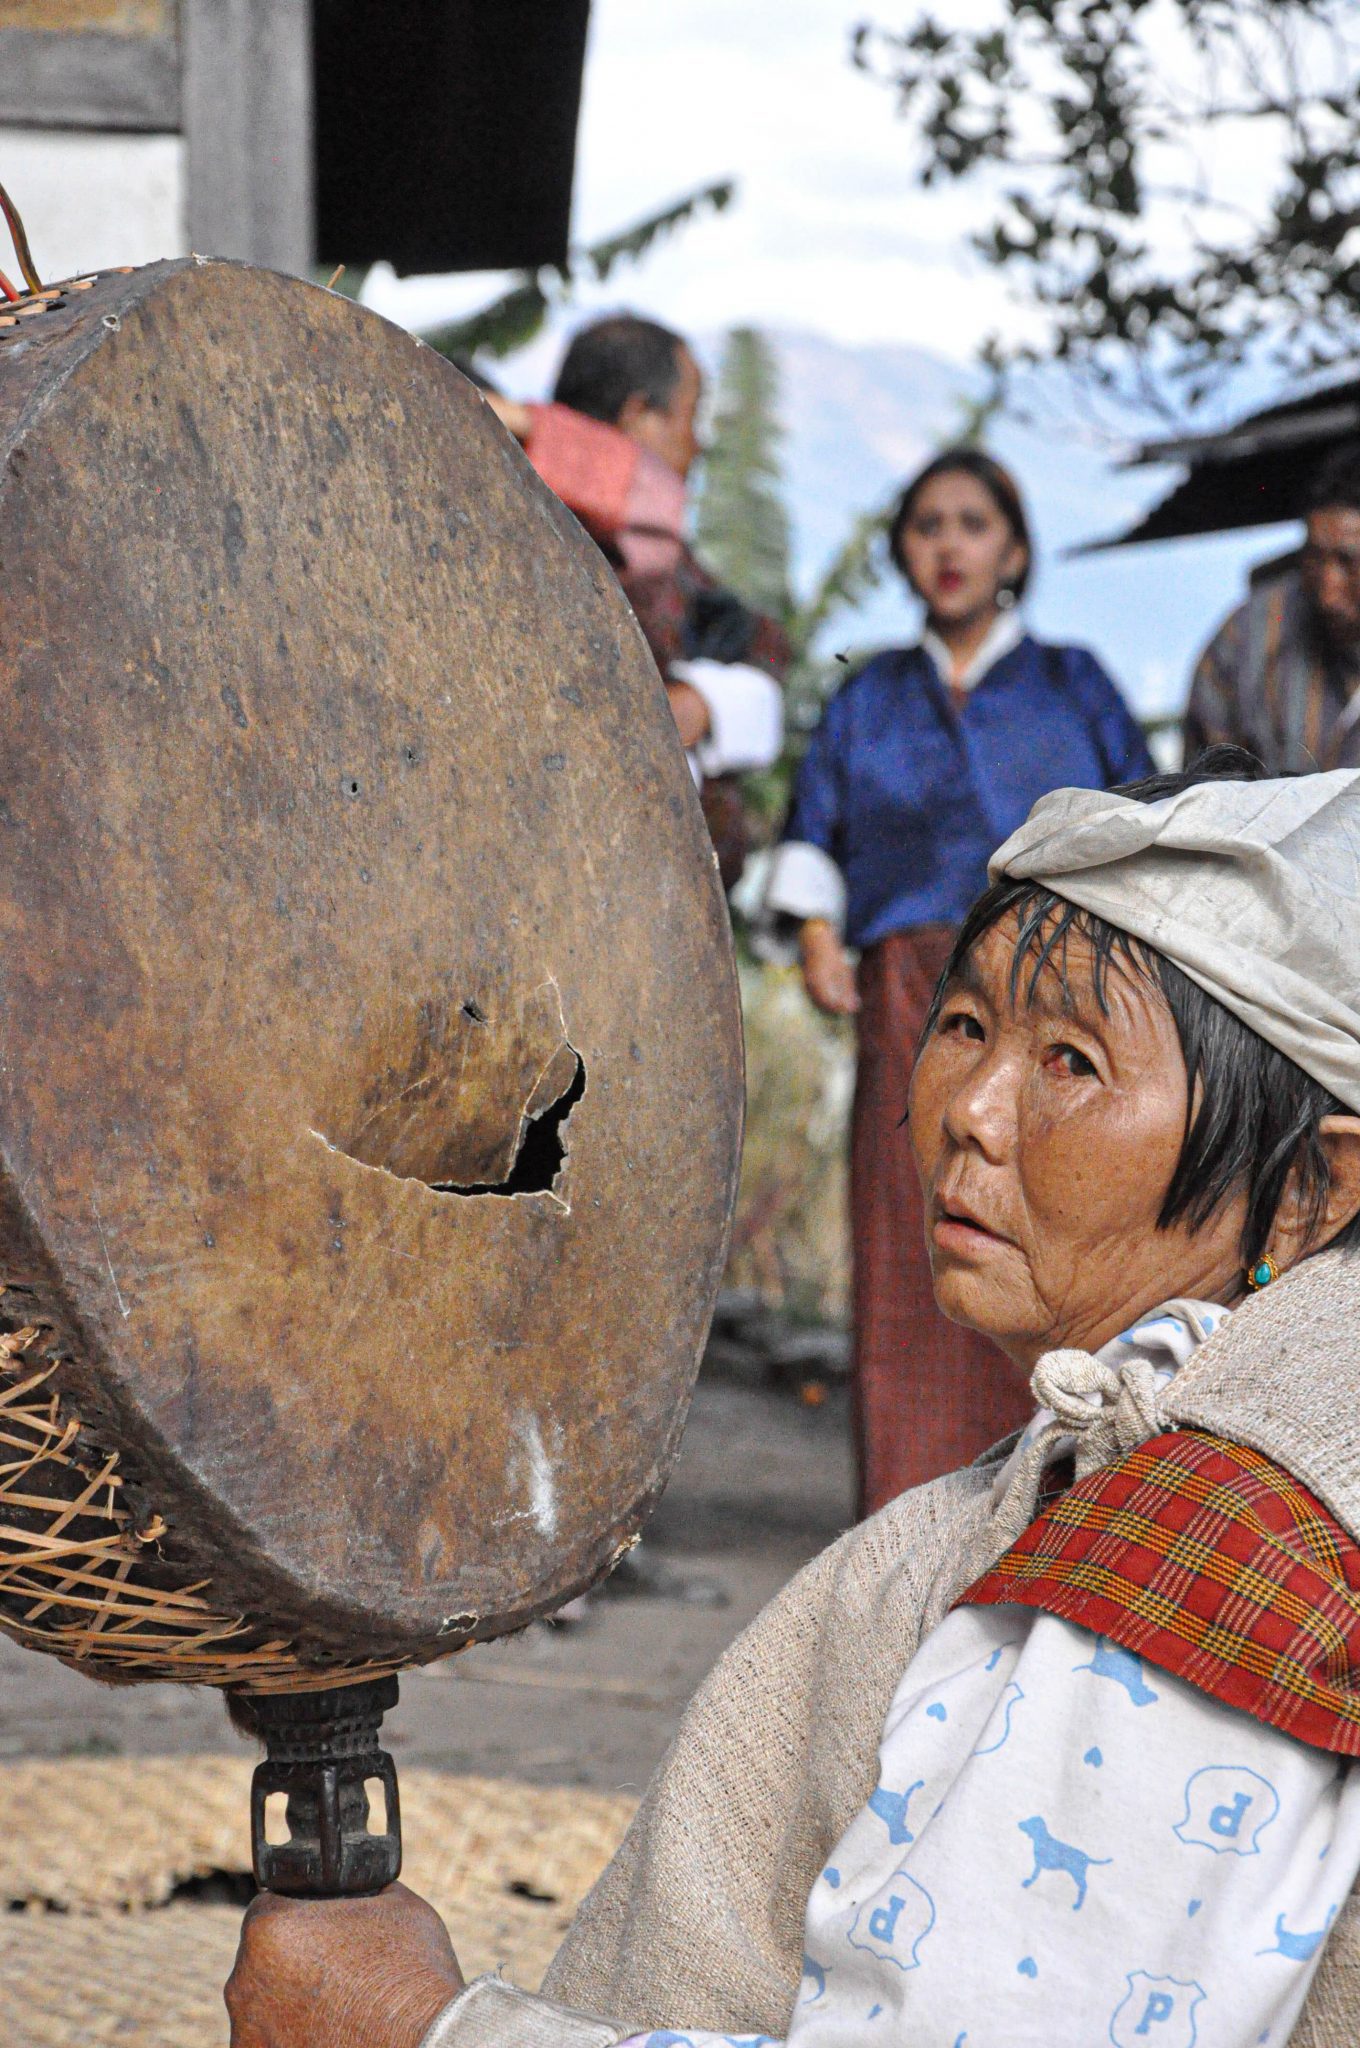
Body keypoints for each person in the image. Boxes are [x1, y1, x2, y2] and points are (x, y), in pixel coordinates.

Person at [228, 750, 1360, 2048]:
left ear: (1312, 1191)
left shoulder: (1220, 1536)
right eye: (968, 1026)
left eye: (1073, 1063)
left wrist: (421, 2031)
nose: (973, 1113)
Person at [763, 448, 1154, 1513]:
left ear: (1014, 549)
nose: (948, 544)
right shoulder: (870, 695)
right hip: (909, 1000)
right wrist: (816, 938)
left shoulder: (1072, 682)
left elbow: (1138, 827)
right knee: (911, 1246)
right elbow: (814, 831)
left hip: (1060, 998)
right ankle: (906, 1515)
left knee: (1046, 1229)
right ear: (902, 548)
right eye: (927, 524)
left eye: (972, 523)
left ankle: (1050, 1505)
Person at [487, 315, 787, 888]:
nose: (696, 445)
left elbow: (765, 648)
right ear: (637, 416)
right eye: (687, 418)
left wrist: (704, 702)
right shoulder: (531, 520)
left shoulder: (666, 559)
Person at [1184, 442, 1360, 772]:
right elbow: (1201, 796)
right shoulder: (1245, 641)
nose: (1327, 593)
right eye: (1314, 558)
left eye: (1349, 562)